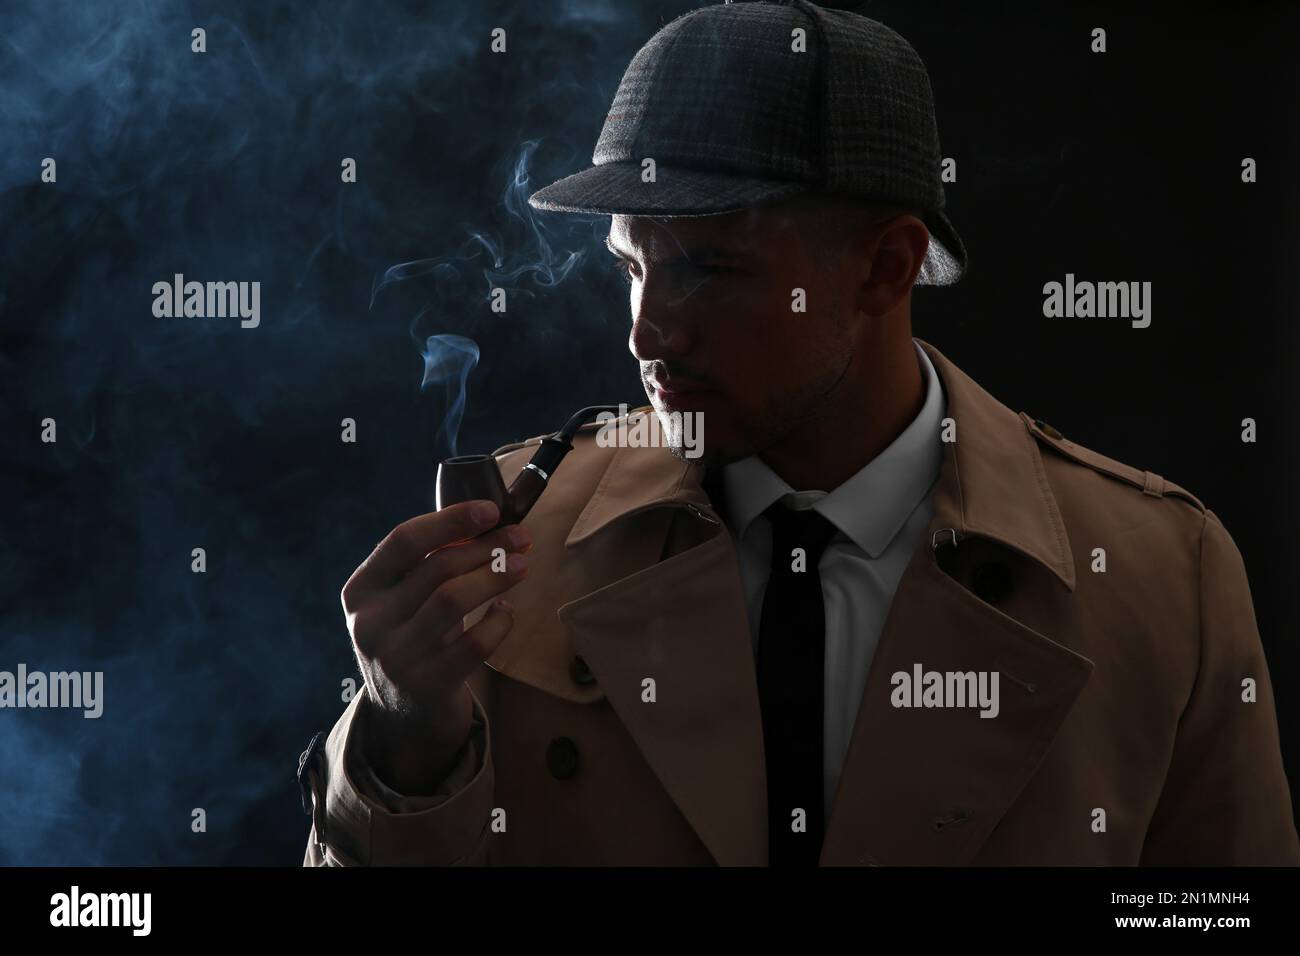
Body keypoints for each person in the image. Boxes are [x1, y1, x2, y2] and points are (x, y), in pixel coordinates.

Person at [299, 0, 1299, 866]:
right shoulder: (509, 556)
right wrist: (401, 737)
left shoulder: (1164, 577)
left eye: (708, 267)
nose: (647, 330)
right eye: (630, 266)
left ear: (883, 269)